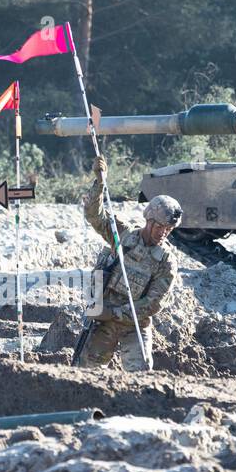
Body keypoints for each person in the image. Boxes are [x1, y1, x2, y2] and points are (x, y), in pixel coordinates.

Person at [72, 155, 182, 371]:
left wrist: (115, 313)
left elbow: (154, 303)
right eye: (159, 226)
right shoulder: (123, 236)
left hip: (135, 325)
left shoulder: (166, 262)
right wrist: (100, 182)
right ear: (148, 220)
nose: (163, 233)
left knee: (140, 375)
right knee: (84, 372)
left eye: (168, 230)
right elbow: (94, 215)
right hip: (104, 323)